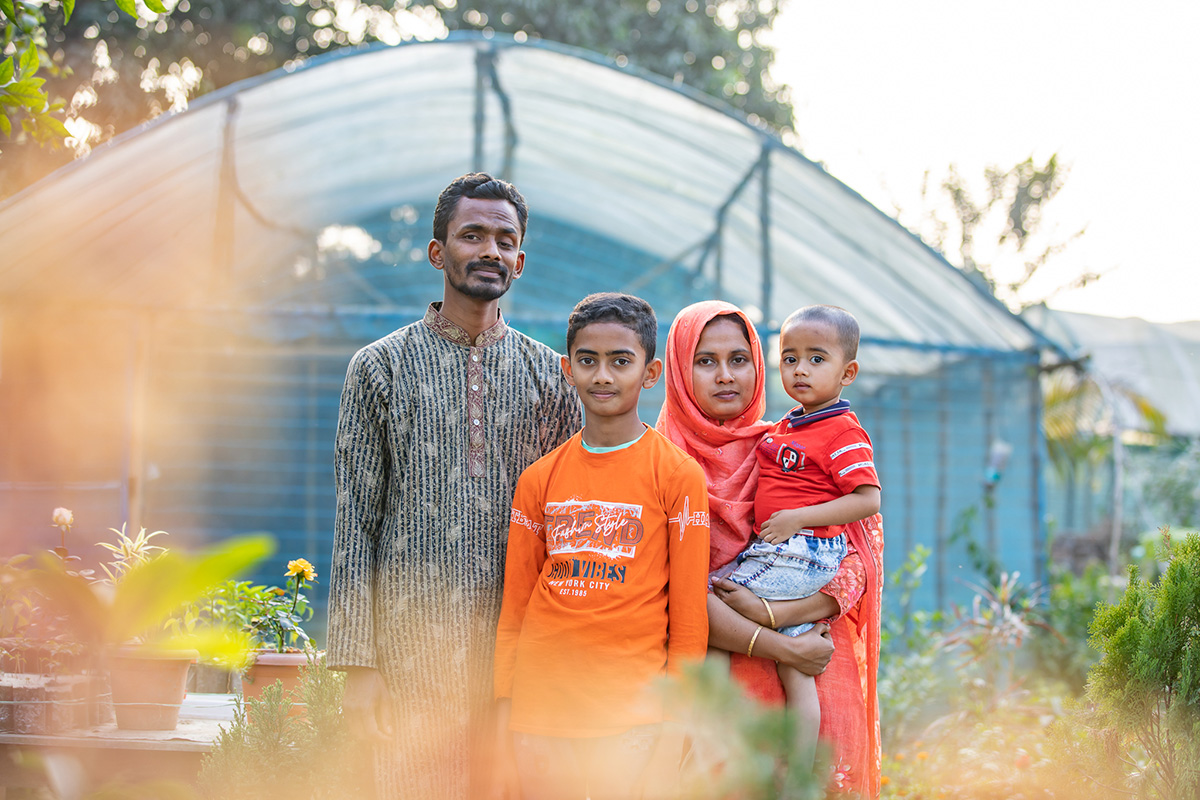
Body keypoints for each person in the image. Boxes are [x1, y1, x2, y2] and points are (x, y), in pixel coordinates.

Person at [326, 173, 582, 800]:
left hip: (518, 660)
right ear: (438, 251)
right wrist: (358, 668)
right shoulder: (378, 366)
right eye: (473, 235)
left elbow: (572, 525)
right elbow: (356, 519)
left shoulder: (553, 378)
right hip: (410, 658)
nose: (490, 250)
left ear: (520, 261)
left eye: (505, 239)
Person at [657, 300, 883, 797]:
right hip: (723, 693)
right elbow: (673, 595)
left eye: (739, 359)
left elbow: (857, 560)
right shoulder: (657, 461)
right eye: (704, 361)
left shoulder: (783, 445)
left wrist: (787, 615)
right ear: (676, 368)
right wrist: (785, 644)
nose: (725, 376)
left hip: (815, 664)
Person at [494, 292, 711, 800]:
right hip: (539, 715)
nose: (603, 377)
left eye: (621, 361)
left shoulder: (678, 476)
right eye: (587, 361)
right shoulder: (539, 479)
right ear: (569, 369)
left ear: (651, 372)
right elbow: (515, 610)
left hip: (633, 720)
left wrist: (672, 735)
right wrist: (504, 719)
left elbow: (688, 623)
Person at [713, 303, 881, 766]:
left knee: (710, 598)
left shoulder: (843, 432)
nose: (800, 369)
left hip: (800, 550)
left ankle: (702, 730)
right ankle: (801, 777)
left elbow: (868, 499)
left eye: (816, 359)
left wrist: (798, 518)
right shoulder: (791, 424)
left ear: (848, 372)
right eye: (790, 358)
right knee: (795, 674)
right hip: (790, 550)